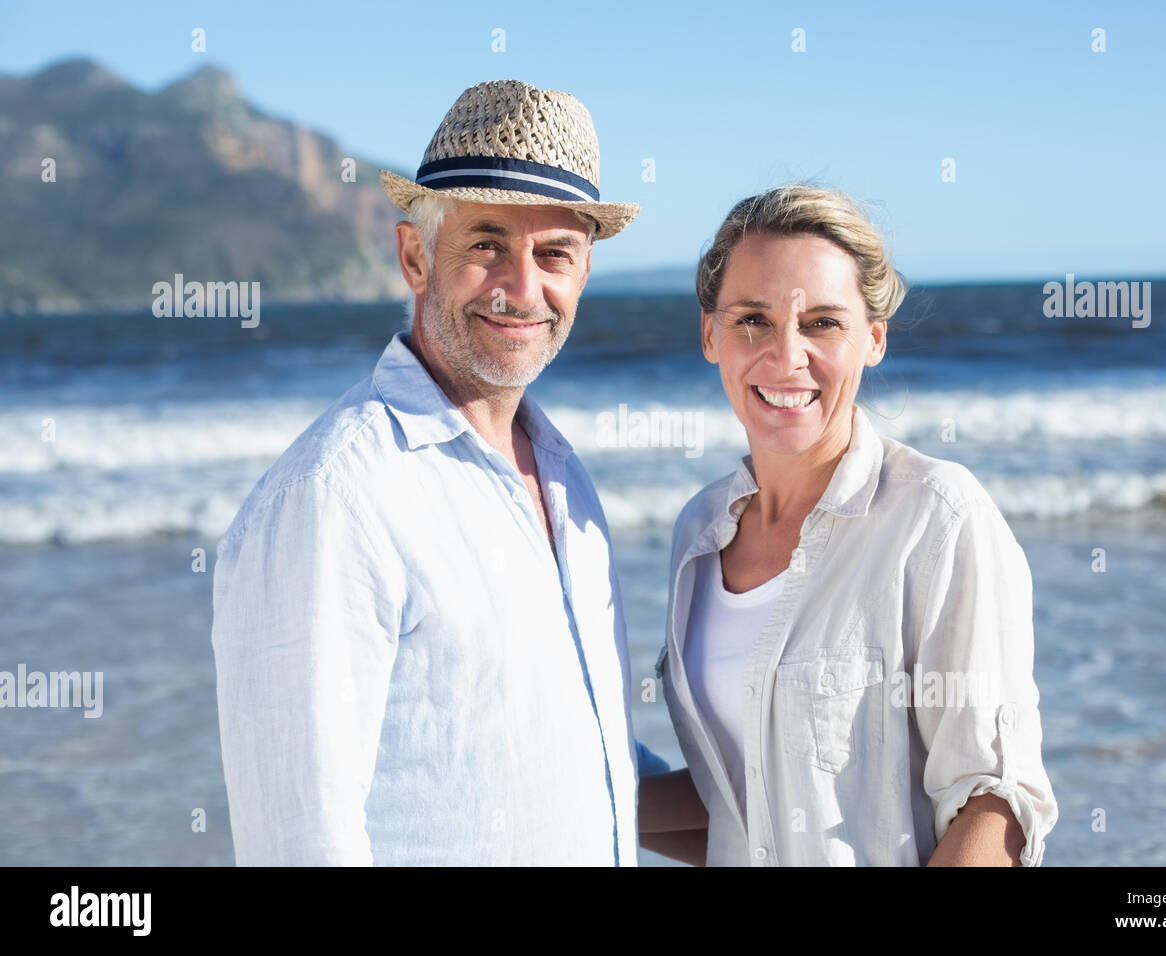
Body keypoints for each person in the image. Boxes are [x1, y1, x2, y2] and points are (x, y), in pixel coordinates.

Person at [211, 79, 666, 865]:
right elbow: (301, 838)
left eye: (554, 252)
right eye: (486, 243)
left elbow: (571, 752)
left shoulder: (564, 477)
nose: (524, 288)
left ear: (584, 273)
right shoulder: (336, 497)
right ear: (415, 256)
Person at [638, 184, 1058, 866]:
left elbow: (996, 804)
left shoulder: (938, 518)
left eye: (823, 323)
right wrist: (567, 789)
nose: (786, 355)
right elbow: (742, 797)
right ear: (711, 335)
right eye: (752, 319)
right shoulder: (698, 534)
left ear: (874, 339)